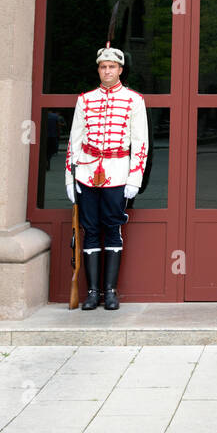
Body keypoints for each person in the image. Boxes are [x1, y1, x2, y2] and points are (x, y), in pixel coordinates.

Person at [65, 46, 149, 310]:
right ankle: (92, 292)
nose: (107, 71)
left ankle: (110, 292)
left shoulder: (134, 100)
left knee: (113, 228)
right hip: (87, 174)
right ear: (98, 70)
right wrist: (70, 177)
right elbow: (74, 141)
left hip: (117, 172)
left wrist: (135, 177)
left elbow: (140, 142)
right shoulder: (85, 100)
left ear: (120, 70)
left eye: (112, 67)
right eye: (103, 67)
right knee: (90, 230)